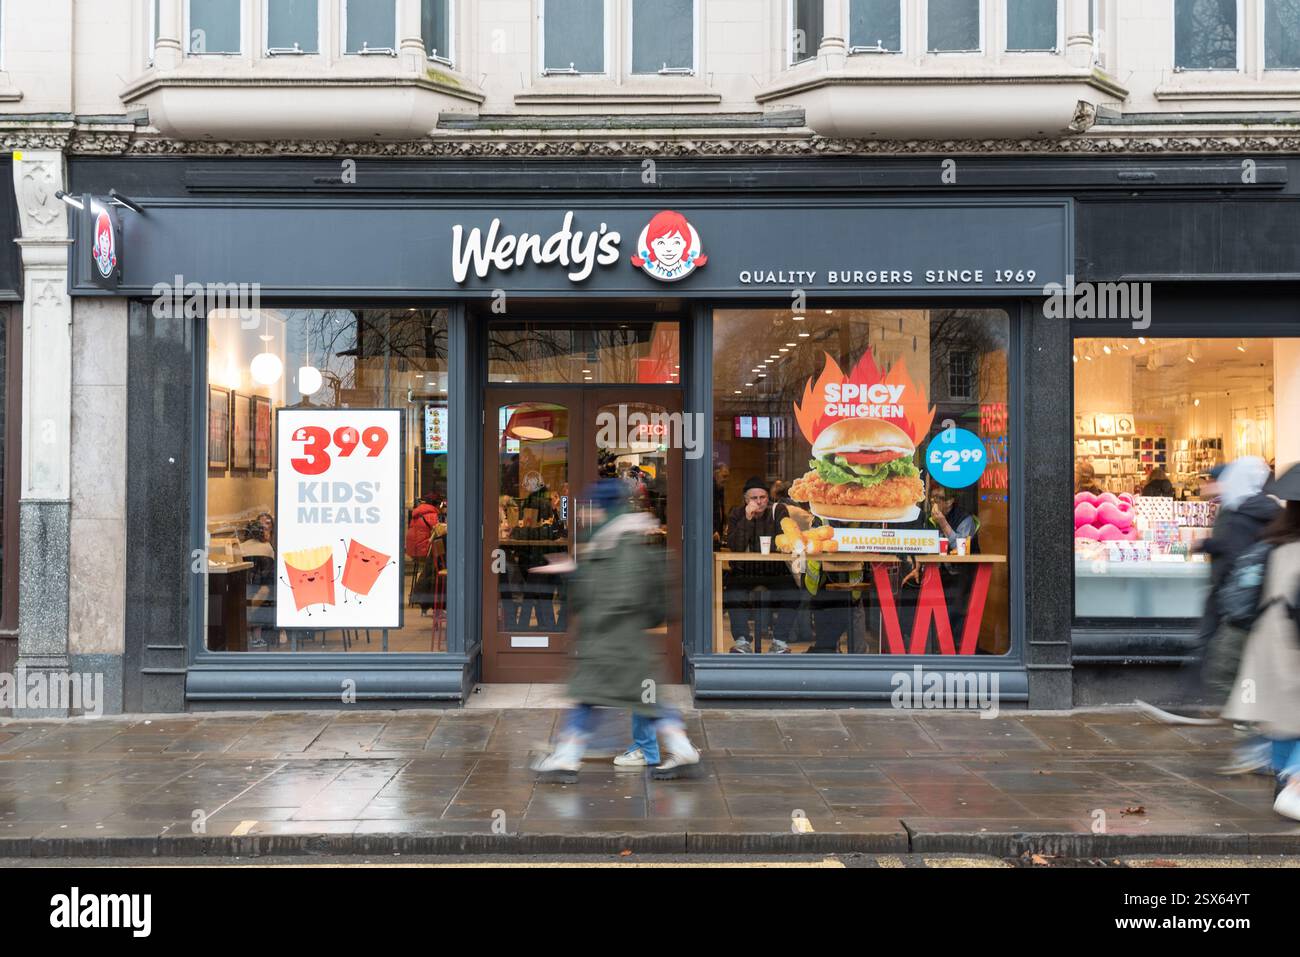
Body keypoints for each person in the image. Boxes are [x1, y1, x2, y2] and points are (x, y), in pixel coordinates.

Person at [532, 479, 701, 781]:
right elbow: (647, 598)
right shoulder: (625, 539)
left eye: (592, 507)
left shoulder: (611, 543)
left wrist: (574, 576)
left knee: (590, 696)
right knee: (643, 699)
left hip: (611, 641)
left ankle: (566, 758)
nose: (588, 514)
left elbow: (609, 595)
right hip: (626, 641)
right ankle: (681, 748)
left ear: (601, 507)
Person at [1222, 463, 1300, 820]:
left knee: (1283, 721)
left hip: (1266, 644)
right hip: (1292, 646)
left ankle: (1283, 784)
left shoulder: (1273, 542)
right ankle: (1293, 787)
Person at [725, 477, 791, 653]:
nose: (759, 501)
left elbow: (786, 540)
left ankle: (780, 641)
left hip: (775, 570)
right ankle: (742, 641)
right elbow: (736, 547)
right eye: (754, 498)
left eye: (763, 497)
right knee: (732, 593)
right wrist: (747, 518)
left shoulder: (779, 510)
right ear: (746, 500)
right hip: (745, 571)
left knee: (793, 592)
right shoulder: (737, 514)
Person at [712, 463, 729, 550]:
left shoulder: (720, 488)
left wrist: (724, 523)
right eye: (724, 476)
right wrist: (713, 530)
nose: (726, 479)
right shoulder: (709, 488)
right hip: (712, 532)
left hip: (717, 531)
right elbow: (707, 511)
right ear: (716, 473)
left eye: (727, 476)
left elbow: (720, 508)